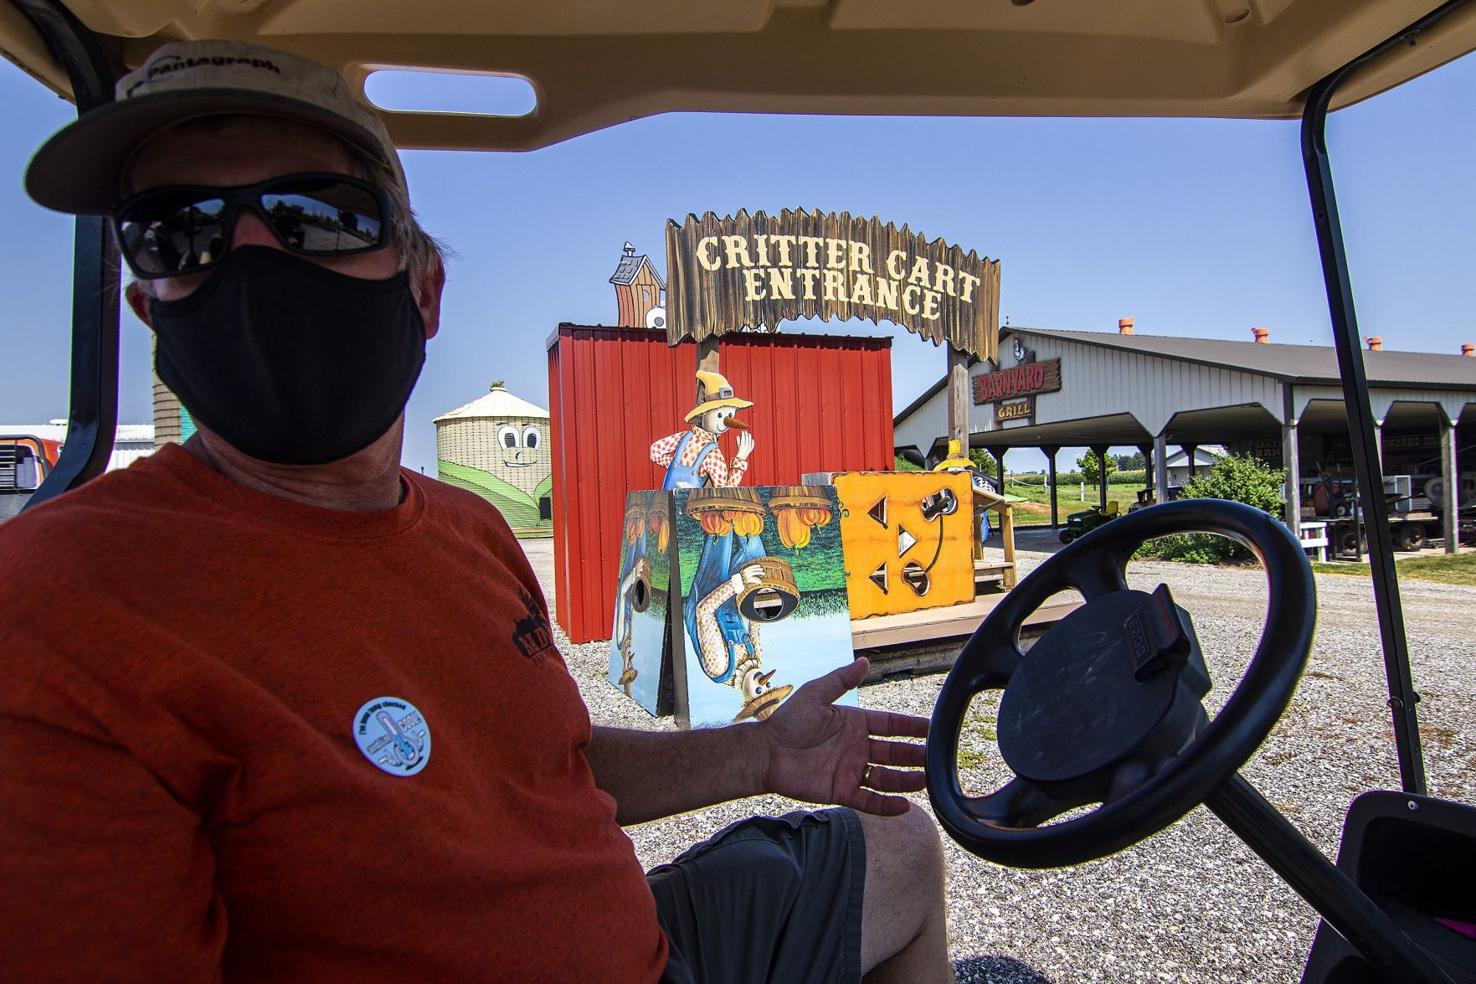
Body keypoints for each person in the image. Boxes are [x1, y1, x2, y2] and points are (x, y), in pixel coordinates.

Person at [0, 40, 951, 983]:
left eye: (315, 216)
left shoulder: (468, 530)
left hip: (648, 947)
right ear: (146, 299)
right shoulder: (59, 607)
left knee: (901, 848)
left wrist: (759, 752)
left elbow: (545, 769)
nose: (250, 260)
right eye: (179, 229)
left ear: (422, 289)